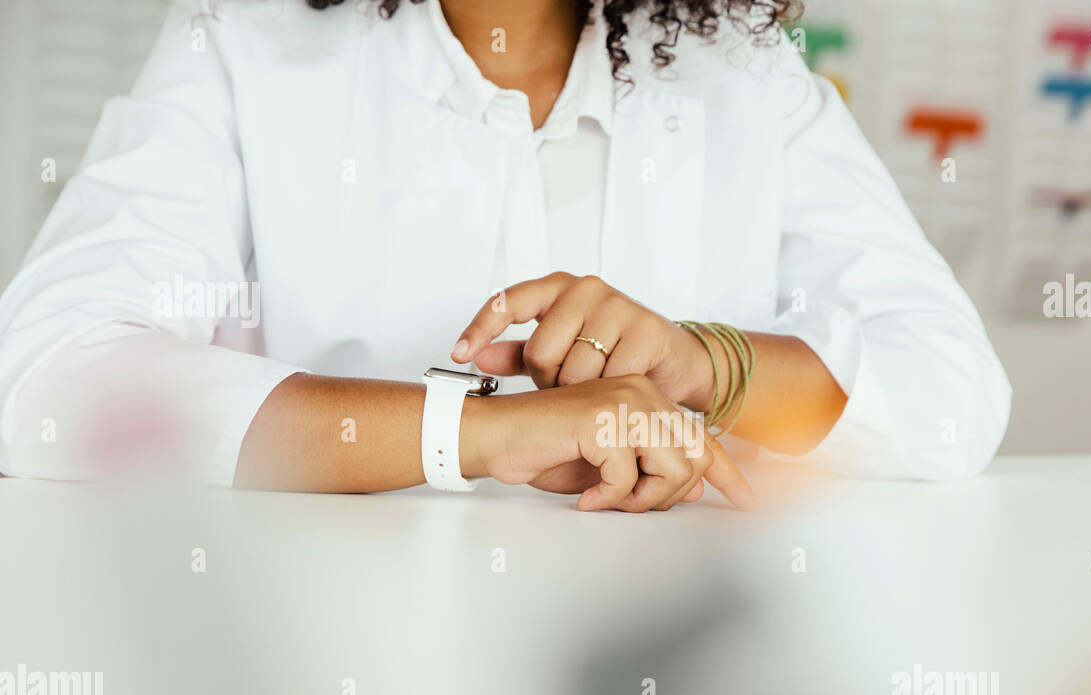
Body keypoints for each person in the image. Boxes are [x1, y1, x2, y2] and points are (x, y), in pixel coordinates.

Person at [0, 0, 1012, 512]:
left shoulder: (743, 74)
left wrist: (703, 362)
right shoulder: (239, 38)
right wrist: (479, 431)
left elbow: (954, 391)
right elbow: (47, 380)